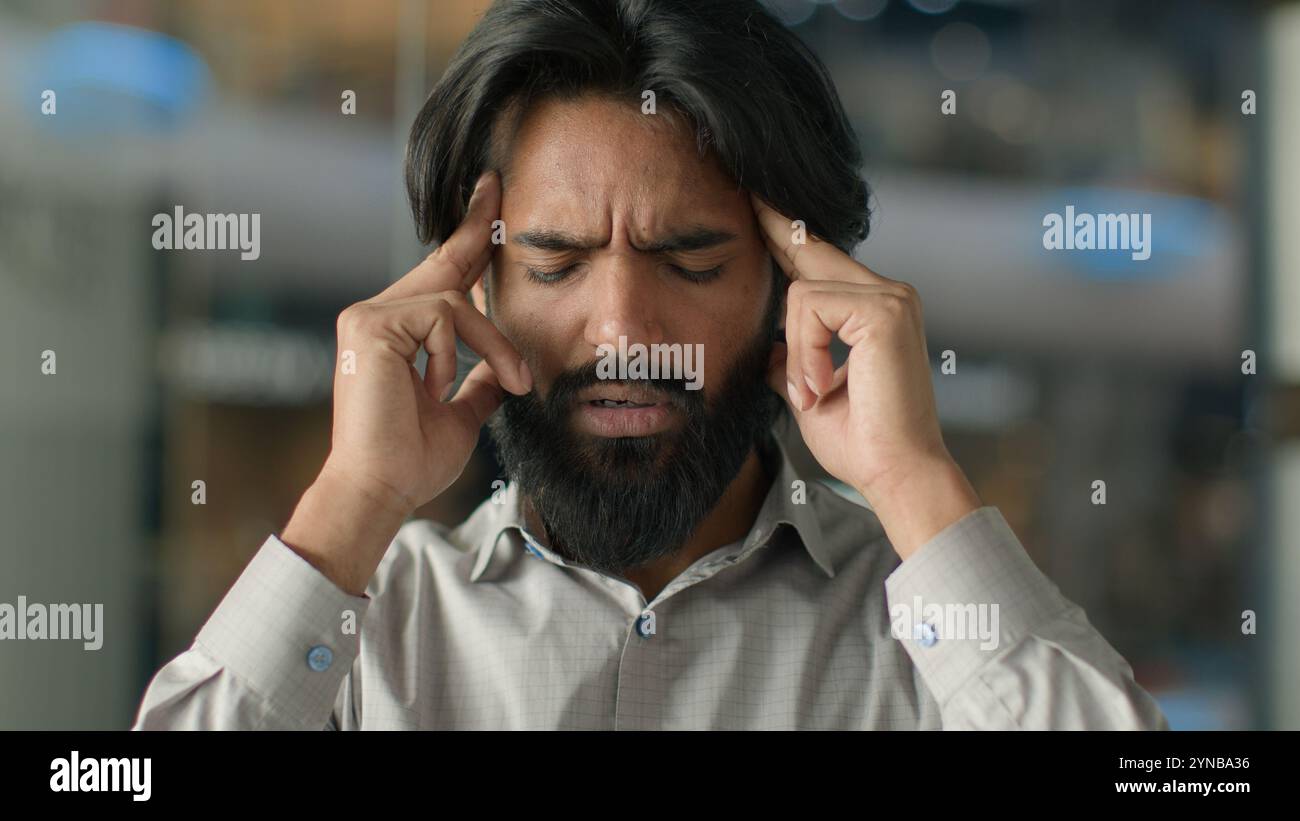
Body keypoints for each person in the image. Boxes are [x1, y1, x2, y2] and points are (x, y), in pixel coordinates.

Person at [133, 0, 1168, 730]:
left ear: (790, 290)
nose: (623, 328)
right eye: (553, 260)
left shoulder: (933, 630)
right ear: (472, 288)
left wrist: (913, 482)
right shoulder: (369, 628)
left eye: (690, 258)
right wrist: (350, 499)